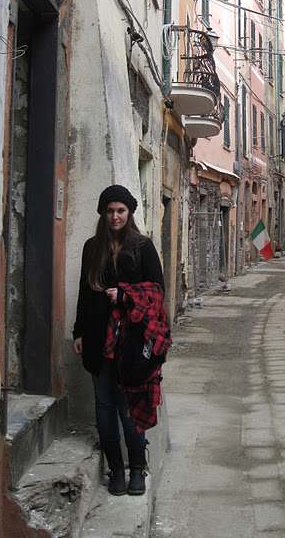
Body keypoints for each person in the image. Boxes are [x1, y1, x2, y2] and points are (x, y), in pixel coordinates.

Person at [73, 185, 166, 496]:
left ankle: (137, 468)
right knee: (104, 403)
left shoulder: (143, 247)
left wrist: (126, 295)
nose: (115, 216)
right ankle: (115, 471)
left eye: (121, 211)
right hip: (98, 336)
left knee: (128, 406)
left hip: (130, 341)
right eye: (110, 210)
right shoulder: (91, 248)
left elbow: (157, 290)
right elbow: (84, 294)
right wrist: (79, 333)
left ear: (129, 214)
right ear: (103, 213)